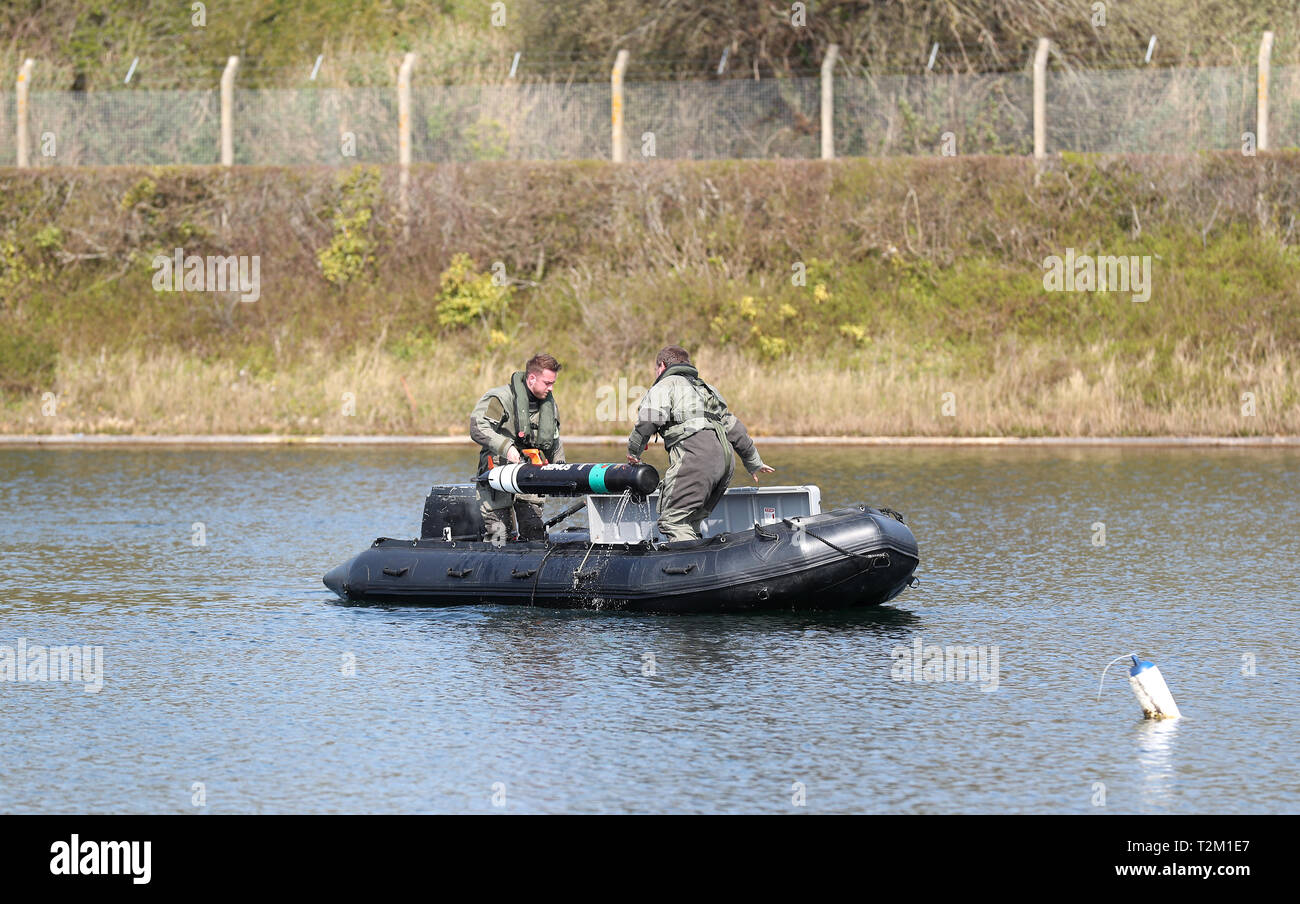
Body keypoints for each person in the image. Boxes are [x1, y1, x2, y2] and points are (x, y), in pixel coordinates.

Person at [626, 345, 775, 542]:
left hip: (696, 456)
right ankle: (700, 557)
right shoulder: (708, 389)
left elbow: (648, 421)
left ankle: (685, 568)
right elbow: (734, 427)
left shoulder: (666, 385)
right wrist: (753, 461)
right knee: (691, 518)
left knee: (673, 520)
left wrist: (633, 452)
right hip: (725, 463)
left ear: (661, 366)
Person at [469, 354, 565, 542]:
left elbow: (554, 441)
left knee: (533, 531)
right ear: (531, 378)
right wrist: (507, 447)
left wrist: (560, 468)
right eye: (547, 383)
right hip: (497, 478)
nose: (551, 388)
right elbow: (477, 427)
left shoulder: (549, 406)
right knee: (499, 535)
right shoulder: (500, 398)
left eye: (553, 383)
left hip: (531, 478)